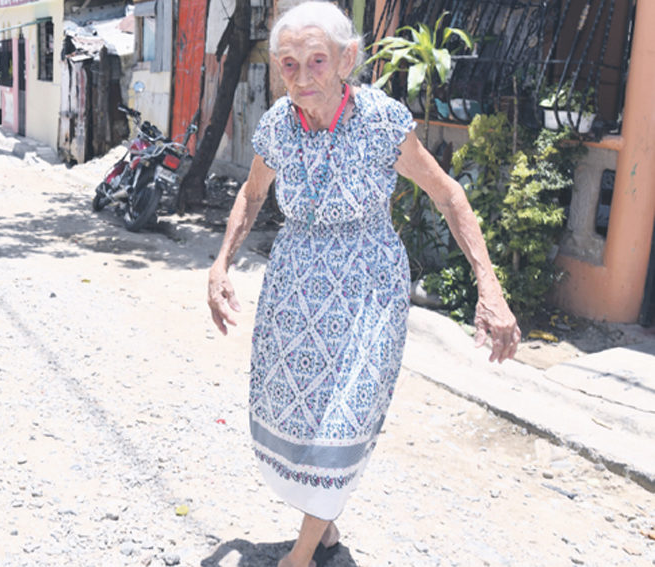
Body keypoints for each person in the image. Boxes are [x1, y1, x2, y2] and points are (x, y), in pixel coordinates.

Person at [207, 2, 521, 566]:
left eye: (317, 60)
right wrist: (219, 264)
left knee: (347, 413)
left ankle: (299, 555)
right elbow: (252, 194)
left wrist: (489, 288)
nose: (302, 77)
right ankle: (322, 526)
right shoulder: (279, 123)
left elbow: (448, 194)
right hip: (295, 289)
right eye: (289, 64)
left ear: (348, 59)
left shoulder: (381, 122)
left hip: (368, 288)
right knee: (301, 413)